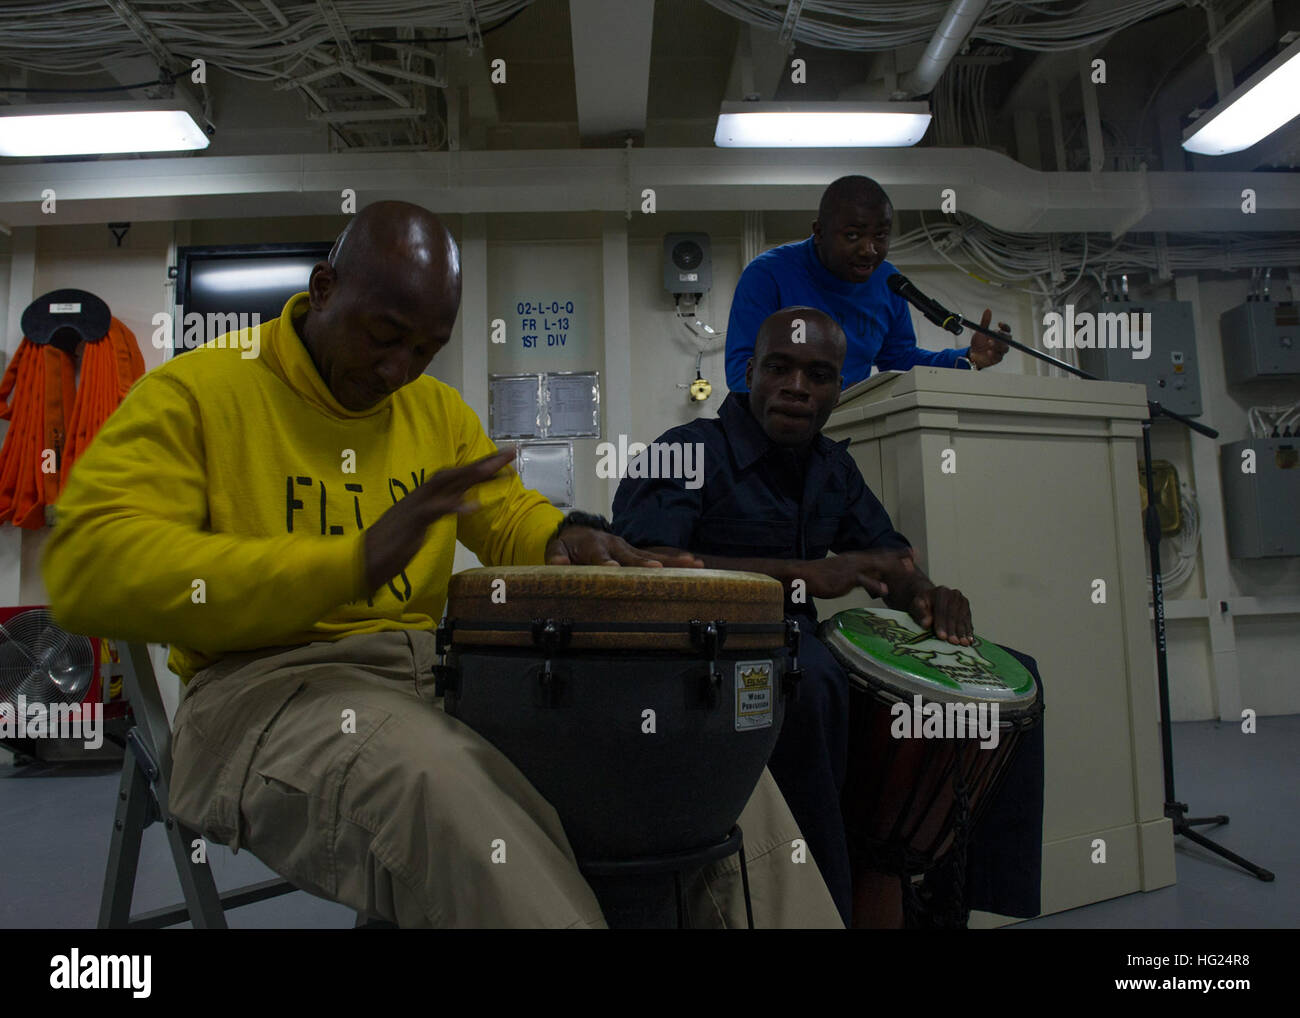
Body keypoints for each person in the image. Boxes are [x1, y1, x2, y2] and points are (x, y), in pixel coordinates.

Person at [41, 201, 843, 929]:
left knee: (707, 761)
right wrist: (345, 564)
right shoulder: (199, 392)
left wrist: (564, 540)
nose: (400, 370)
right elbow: (84, 566)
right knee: (450, 798)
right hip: (263, 691)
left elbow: (506, 515)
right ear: (323, 289)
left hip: (444, 677)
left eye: (425, 349)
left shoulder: (434, 413)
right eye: (384, 337)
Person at [612, 306, 1044, 927]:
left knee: (1010, 683)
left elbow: (889, 559)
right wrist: (804, 575)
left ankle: (958, 902)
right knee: (813, 682)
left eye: (818, 375)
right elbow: (645, 567)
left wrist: (926, 593)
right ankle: (822, 909)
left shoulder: (832, 468)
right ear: (749, 371)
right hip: (702, 656)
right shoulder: (685, 453)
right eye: (779, 368)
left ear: (839, 388)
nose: (797, 387)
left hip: (795, 641)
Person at [725, 175, 1010, 392]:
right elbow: (741, 373)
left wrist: (969, 357)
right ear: (819, 232)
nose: (869, 249)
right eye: (852, 235)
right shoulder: (767, 275)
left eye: (881, 236)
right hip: (778, 436)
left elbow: (899, 359)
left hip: (850, 432)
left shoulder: (888, 282)